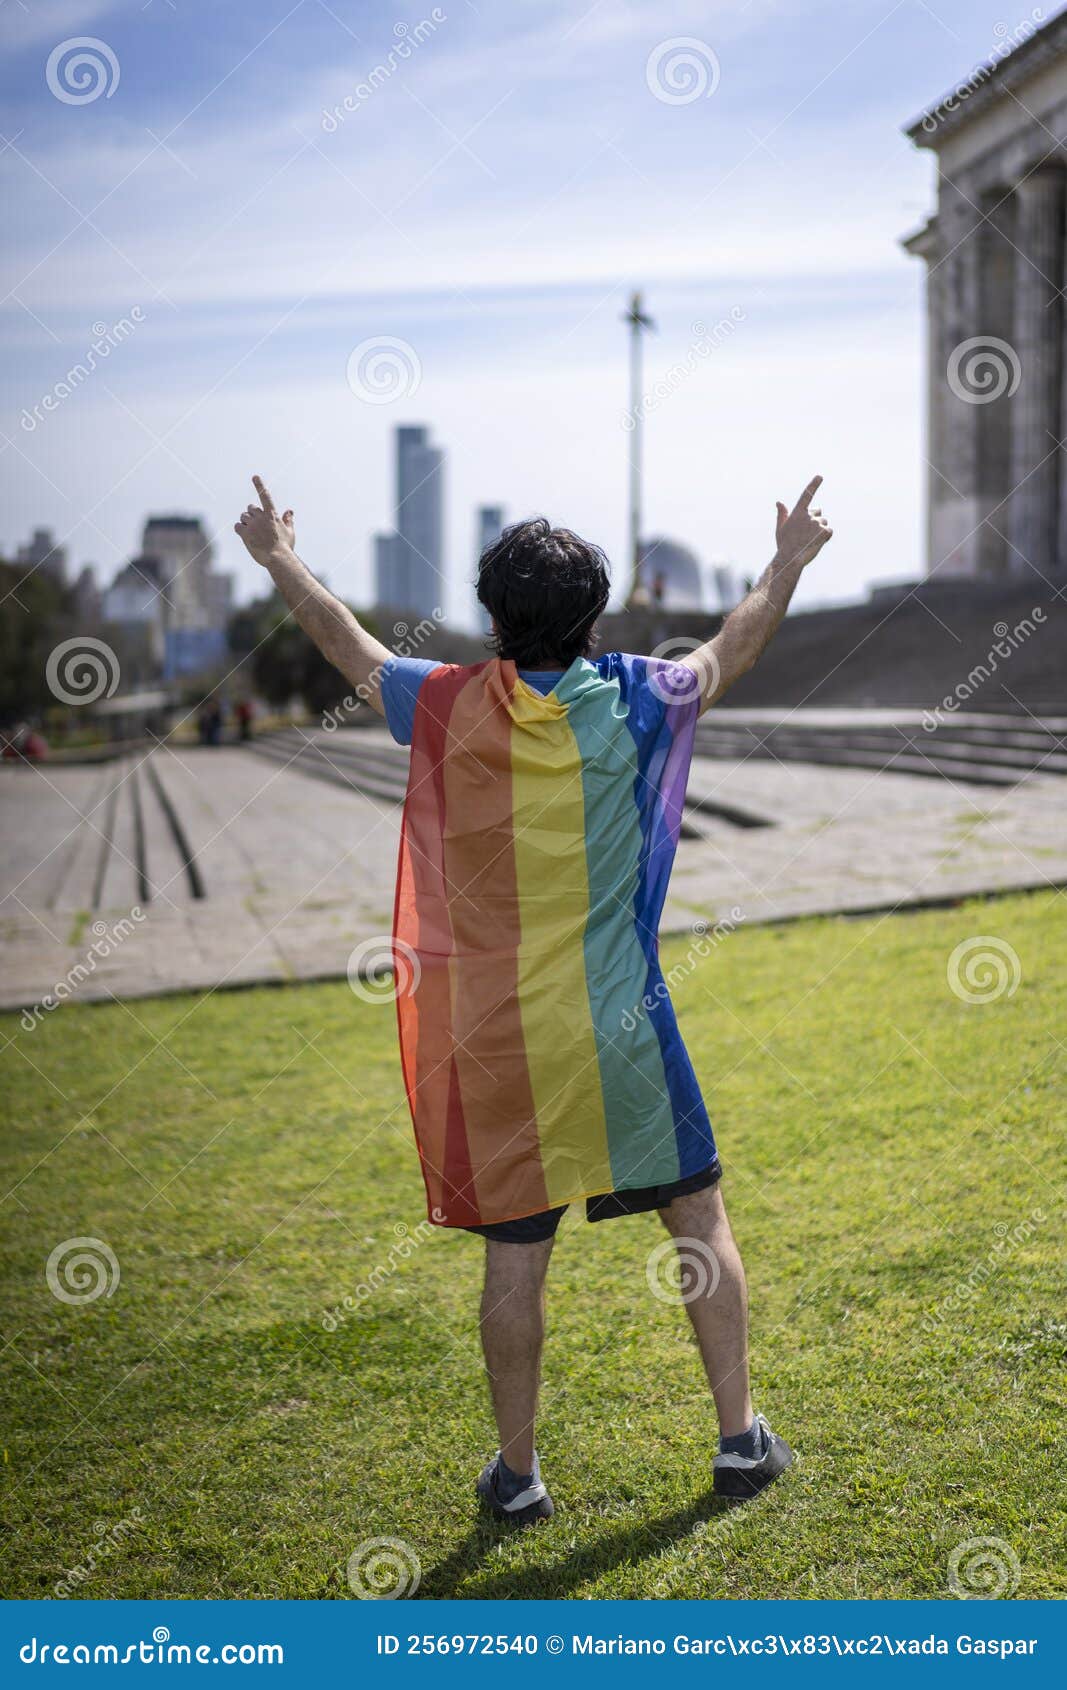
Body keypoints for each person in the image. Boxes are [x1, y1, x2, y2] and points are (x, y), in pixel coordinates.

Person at [234, 472, 833, 1525]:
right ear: (591, 614)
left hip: (500, 1042)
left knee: (517, 1257)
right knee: (696, 1216)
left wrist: (279, 556)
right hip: (621, 1030)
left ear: (493, 617)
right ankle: (739, 1442)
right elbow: (733, 646)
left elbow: (348, 650)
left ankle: (517, 1477)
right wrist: (785, 560)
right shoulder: (640, 696)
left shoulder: (447, 700)